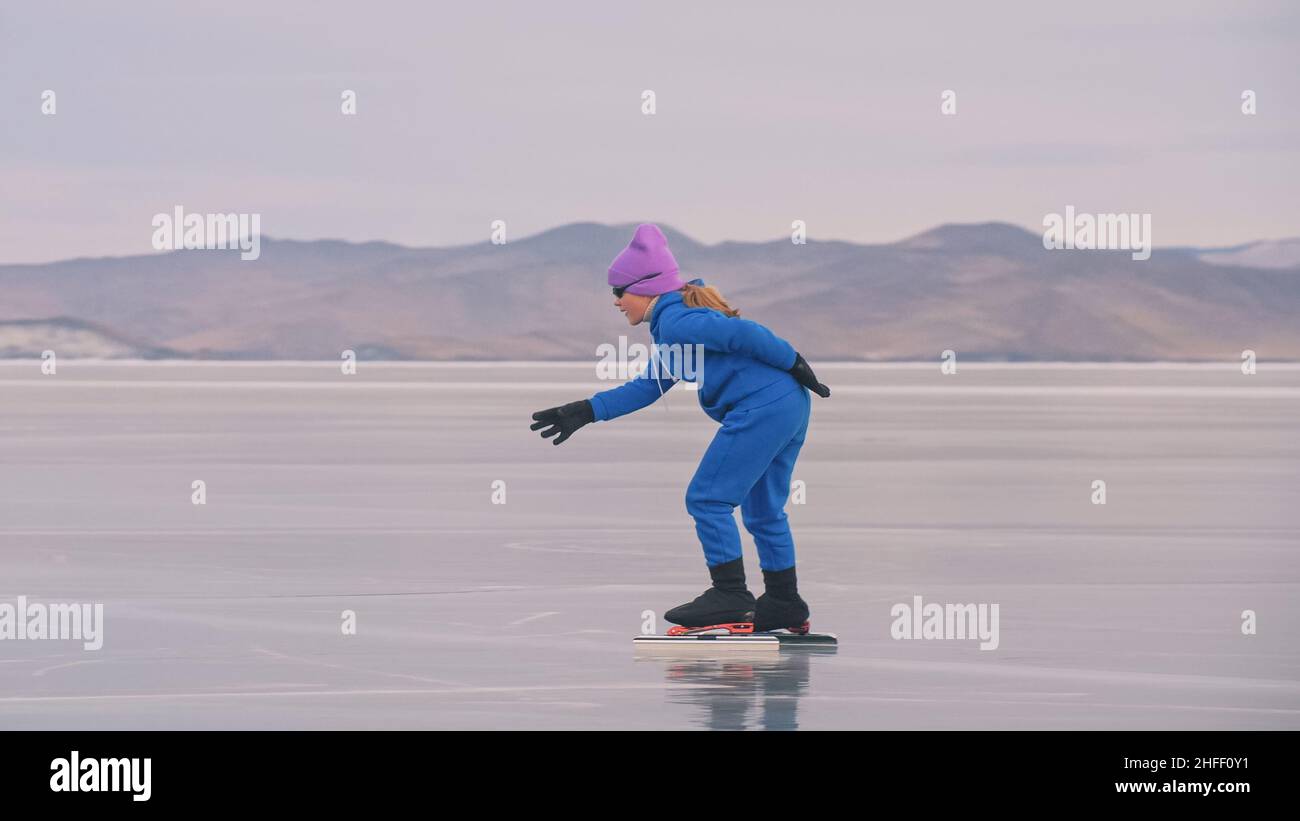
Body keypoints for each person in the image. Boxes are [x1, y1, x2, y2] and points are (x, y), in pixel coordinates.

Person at [530, 223, 830, 632]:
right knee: (762, 511)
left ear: (645, 288)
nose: (616, 302)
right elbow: (649, 386)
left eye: (619, 291)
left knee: (707, 499)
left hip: (762, 407)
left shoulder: (677, 323)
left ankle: (729, 593)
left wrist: (792, 359)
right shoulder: (676, 326)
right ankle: (784, 602)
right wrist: (585, 410)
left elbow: (744, 333)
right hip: (788, 404)